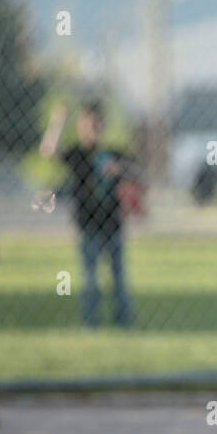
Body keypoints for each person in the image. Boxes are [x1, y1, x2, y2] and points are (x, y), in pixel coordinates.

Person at [40, 101, 143, 327]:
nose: (93, 129)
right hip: (88, 225)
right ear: (81, 126)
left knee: (119, 278)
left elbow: (137, 171)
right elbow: (48, 151)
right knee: (90, 279)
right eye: (89, 124)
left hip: (113, 225)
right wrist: (59, 121)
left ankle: (124, 322)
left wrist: (119, 169)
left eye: (98, 124)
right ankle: (92, 322)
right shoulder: (78, 153)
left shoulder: (114, 153)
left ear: (104, 125)